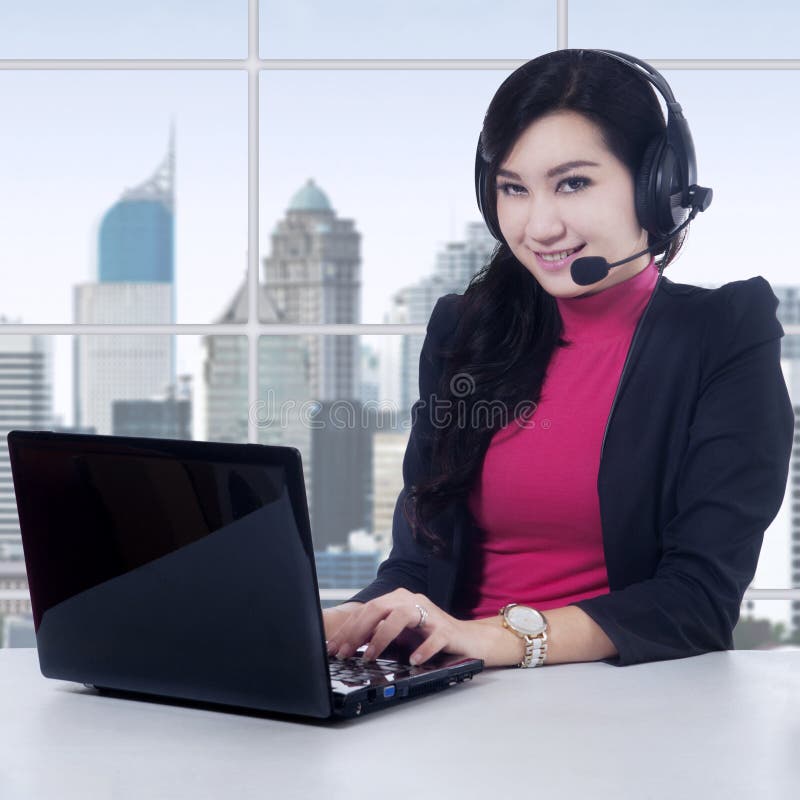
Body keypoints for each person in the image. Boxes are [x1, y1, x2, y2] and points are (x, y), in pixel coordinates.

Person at [323, 49, 795, 669]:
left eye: (573, 183)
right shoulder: (465, 330)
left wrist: (495, 639)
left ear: (658, 189)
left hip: (614, 700)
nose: (539, 226)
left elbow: (696, 602)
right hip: (447, 687)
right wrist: (347, 622)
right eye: (513, 189)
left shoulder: (722, 335)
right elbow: (418, 563)